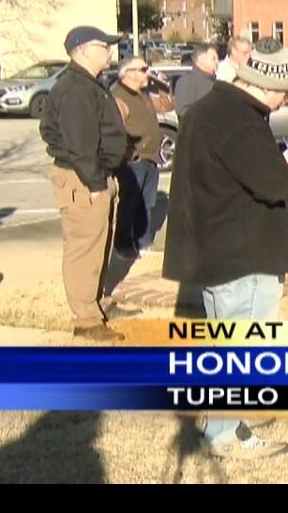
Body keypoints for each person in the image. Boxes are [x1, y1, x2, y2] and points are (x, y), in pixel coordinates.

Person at [163, 41, 288, 459]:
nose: (285, 102)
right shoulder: (240, 121)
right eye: (286, 95)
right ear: (271, 90)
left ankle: (225, 421)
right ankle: (224, 434)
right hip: (241, 252)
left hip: (215, 246)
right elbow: (272, 184)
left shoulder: (208, 109)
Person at [39, 25, 130, 341]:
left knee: (98, 243)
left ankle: (94, 302)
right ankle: (86, 320)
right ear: (83, 50)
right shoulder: (76, 89)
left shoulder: (89, 84)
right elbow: (81, 145)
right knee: (84, 247)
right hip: (83, 180)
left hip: (96, 175)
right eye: (103, 46)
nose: (109, 51)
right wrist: (95, 185)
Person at [110, 56, 164, 259]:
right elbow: (116, 128)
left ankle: (143, 241)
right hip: (134, 160)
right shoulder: (119, 95)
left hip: (151, 157)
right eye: (143, 69)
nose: (147, 72)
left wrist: (162, 86)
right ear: (129, 73)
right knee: (130, 203)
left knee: (147, 202)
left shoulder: (143, 94)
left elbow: (166, 105)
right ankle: (123, 246)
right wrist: (128, 153)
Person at [172, 43, 219, 115]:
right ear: (200, 60)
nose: (217, 62)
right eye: (213, 58)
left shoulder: (215, 82)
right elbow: (183, 111)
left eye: (217, 58)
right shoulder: (186, 82)